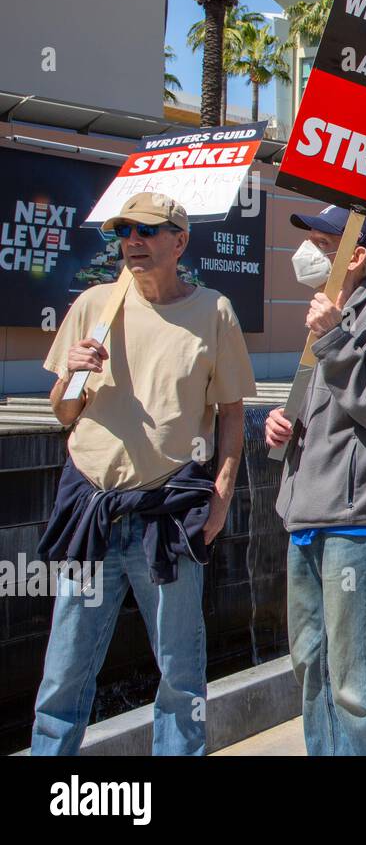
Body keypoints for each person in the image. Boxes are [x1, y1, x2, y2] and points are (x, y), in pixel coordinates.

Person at [32, 193, 256, 755]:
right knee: (64, 670)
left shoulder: (214, 312)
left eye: (147, 230)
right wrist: (69, 378)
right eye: (124, 230)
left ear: (179, 241)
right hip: (92, 511)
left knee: (180, 674)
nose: (132, 240)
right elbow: (62, 413)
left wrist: (223, 495)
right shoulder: (94, 306)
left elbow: (232, 412)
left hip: (168, 514)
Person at [263, 206, 366, 755]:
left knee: (355, 676)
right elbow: (323, 408)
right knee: (310, 663)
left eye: (322, 242)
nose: (308, 251)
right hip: (306, 512)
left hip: (354, 521)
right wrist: (282, 424)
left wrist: (333, 341)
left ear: (356, 255)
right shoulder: (328, 316)